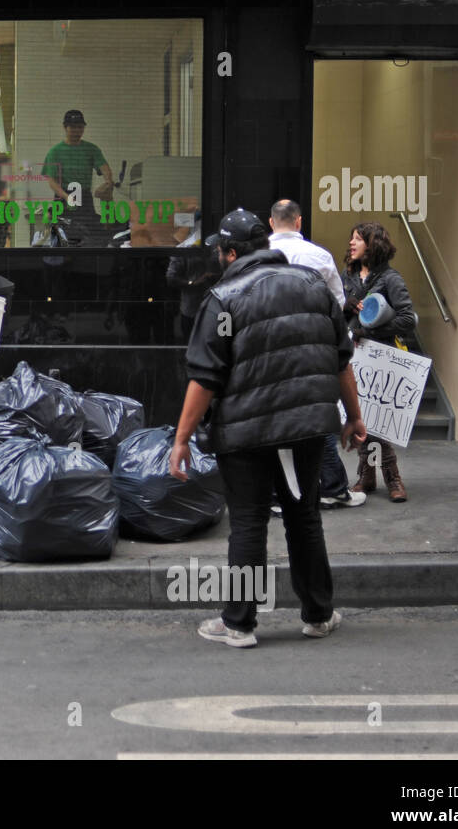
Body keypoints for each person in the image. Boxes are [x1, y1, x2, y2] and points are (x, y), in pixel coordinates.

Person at [170, 208, 367, 649]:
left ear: (231, 253)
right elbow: (341, 360)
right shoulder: (314, 287)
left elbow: (204, 376)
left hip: (245, 433)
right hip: (305, 425)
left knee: (248, 521)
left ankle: (240, 623)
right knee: (303, 516)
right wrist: (354, 417)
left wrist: (181, 440)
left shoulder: (223, 299)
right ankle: (317, 614)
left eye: (220, 251)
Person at [268, 198, 363, 509]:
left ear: (272, 223)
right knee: (316, 416)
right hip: (314, 350)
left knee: (276, 419)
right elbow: (336, 303)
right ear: (299, 222)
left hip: (270, 350)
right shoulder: (319, 256)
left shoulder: (258, 256)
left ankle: (280, 494)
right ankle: (332, 486)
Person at [344, 220, 418, 503]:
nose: (351, 244)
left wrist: (368, 330)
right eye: (351, 238)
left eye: (357, 239)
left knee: (380, 420)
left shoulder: (391, 279)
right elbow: (334, 313)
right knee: (361, 418)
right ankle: (367, 476)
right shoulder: (347, 276)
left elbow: (407, 319)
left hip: (382, 360)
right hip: (354, 359)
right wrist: (343, 305)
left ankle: (391, 477)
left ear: (372, 245)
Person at [41, 109, 114, 247]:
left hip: (84, 197)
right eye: (73, 127)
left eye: (80, 127)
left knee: (90, 234)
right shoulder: (55, 151)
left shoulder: (91, 149)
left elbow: (105, 168)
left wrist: (108, 182)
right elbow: (51, 180)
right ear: (65, 127)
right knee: (62, 236)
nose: (76, 130)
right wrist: (66, 196)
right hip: (63, 196)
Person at [166, 233, 220, 339]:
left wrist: (218, 277)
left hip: (217, 308)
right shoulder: (184, 248)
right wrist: (193, 283)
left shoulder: (217, 242)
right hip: (192, 308)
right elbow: (171, 278)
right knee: (191, 345)